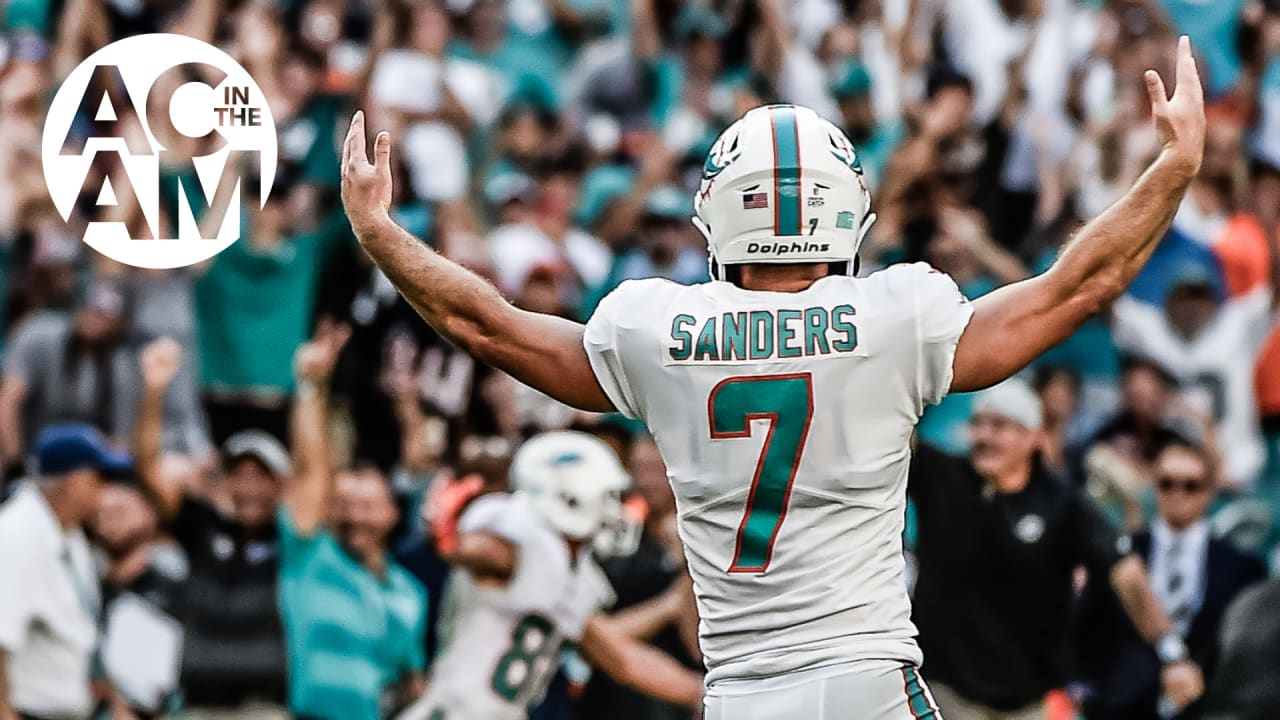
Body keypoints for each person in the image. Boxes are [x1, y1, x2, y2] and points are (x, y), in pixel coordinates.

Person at [340, 36, 1206, 718]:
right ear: (847, 212)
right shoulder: (896, 316)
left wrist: (383, 234)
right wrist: (1171, 171)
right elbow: (1081, 285)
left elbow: (482, 324)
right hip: (869, 679)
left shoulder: (659, 327)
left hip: (745, 690)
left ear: (719, 212)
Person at [908, 380, 1202, 720]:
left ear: (1033, 437)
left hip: (1029, 700)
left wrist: (1171, 654)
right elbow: (889, 438)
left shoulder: (1063, 503)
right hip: (944, 691)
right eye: (978, 424)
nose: (985, 436)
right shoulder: (942, 474)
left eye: (1001, 425)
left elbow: (1126, 573)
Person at [396, 431, 704, 720]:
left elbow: (622, 659)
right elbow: (486, 551)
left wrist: (702, 692)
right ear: (571, 495)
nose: (616, 509)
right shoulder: (522, 541)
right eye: (608, 495)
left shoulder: (569, 568)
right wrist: (451, 541)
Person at [274, 322, 430, 720]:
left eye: (365, 505)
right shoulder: (311, 555)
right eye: (343, 504)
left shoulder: (410, 592)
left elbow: (411, 678)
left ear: (392, 514)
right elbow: (312, 472)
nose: (353, 516)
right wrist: (311, 387)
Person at [133, 339, 291, 720]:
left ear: (280, 486)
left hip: (264, 709)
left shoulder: (293, 540)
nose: (249, 488)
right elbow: (148, 474)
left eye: (261, 477)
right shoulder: (202, 528)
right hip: (197, 707)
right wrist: (153, 392)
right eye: (239, 476)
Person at [1072, 436, 1267, 720]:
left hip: (1208, 706)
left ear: (1209, 490)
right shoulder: (1121, 552)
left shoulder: (1241, 567)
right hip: (1122, 705)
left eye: (1190, 485)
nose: (1178, 493)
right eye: (1167, 483)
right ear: (1155, 485)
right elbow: (1087, 627)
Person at [0, 423, 132, 720]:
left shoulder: (69, 532)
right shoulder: (15, 532)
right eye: (99, 478)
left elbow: (73, 631)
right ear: (74, 481)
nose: (105, 490)